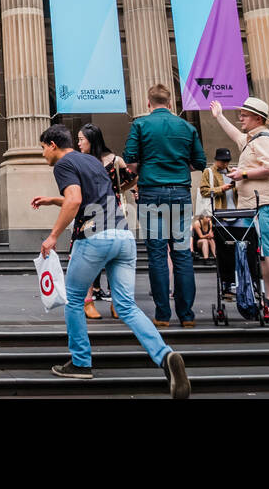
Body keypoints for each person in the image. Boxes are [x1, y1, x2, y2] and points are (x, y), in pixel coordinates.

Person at [31, 123, 190, 398]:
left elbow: (75, 200)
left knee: (74, 299)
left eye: (43, 148)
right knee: (126, 305)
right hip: (123, 236)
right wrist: (52, 200)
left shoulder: (62, 165)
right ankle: (165, 356)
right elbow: (86, 198)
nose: (43, 154)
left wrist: (52, 236)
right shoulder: (93, 161)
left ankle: (80, 363)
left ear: (53, 145)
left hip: (94, 236)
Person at [123, 84, 205, 328]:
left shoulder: (140, 125)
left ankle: (162, 315)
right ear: (171, 104)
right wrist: (179, 167)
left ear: (149, 104)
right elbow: (199, 161)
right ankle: (187, 315)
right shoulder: (187, 127)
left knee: (157, 255)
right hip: (180, 193)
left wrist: (148, 169)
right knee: (182, 254)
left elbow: (130, 160)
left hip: (151, 194)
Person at [209, 96, 269, 315]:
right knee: (264, 252)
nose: (240, 118)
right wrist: (219, 117)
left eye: (244, 115)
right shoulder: (251, 139)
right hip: (254, 204)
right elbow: (236, 135)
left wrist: (243, 173)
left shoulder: (265, 139)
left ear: (258, 118)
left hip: (267, 202)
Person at [77, 123, 133, 318]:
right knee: (89, 258)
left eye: (81, 139)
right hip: (89, 212)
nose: (78, 143)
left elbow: (131, 178)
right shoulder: (81, 161)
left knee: (114, 258)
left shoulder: (115, 160)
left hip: (112, 211)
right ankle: (88, 301)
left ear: (91, 140)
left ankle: (116, 302)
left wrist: (119, 191)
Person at [199, 148, 234, 215]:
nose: (226, 164)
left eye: (228, 161)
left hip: (236, 212)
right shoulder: (208, 172)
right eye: (223, 161)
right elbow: (203, 191)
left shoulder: (232, 172)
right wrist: (221, 189)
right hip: (217, 212)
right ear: (217, 160)